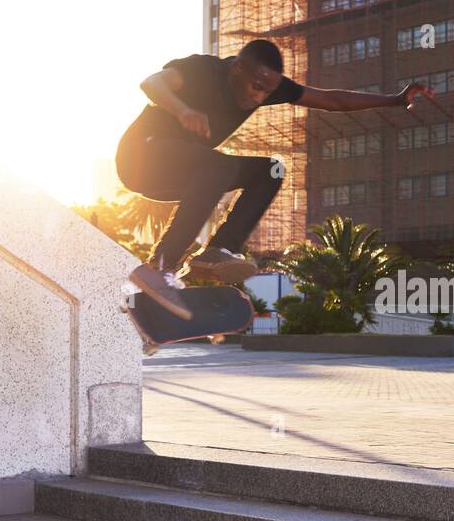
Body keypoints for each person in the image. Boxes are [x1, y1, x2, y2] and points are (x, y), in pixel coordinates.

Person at [116, 38, 434, 319]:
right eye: (256, 87)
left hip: (184, 173)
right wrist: (182, 109)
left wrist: (394, 99)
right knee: (218, 166)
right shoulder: (203, 69)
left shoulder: (268, 87)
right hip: (139, 158)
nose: (258, 98)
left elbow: (333, 100)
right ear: (237, 69)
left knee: (272, 169)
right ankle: (160, 266)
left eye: (267, 92)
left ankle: (217, 252)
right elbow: (151, 82)